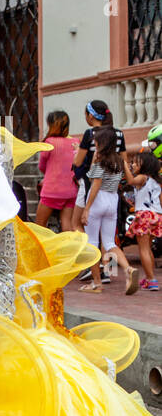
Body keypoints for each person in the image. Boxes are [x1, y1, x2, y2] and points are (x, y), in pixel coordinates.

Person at [81, 124, 138, 294]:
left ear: (101, 143)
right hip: (112, 200)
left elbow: (95, 183)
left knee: (92, 242)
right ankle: (128, 268)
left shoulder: (100, 161)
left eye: (96, 142)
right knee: (109, 242)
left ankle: (97, 283)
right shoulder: (119, 161)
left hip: (97, 200)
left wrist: (86, 209)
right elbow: (129, 180)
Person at [72, 100, 124, 235]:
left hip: (91, 183)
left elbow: (78, 162)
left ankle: (90, 255)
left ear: (90, 116)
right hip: (111, 186)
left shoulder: (90, 134)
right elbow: (124, 159)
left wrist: (77, 150)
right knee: (106, 236)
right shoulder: (118, 133)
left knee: (77, 223)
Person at [124, 151, 162, 291]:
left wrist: (124, 166)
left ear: (144, 165)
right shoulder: (156, 182)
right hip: (157, 215)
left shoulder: (142, 178)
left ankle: (152, 280)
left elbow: (130, 181)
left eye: (135, 162)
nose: (133, 165)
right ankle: (148, 277)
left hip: (144, 215)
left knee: (143, 249)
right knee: (148, 249)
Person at [37, 109, 78, 232]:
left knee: (40, 226)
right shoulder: (75, 142)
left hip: (52, 190)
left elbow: (42, 166)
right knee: (67, 225)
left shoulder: (49, 143)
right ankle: (70, 250)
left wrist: (49, 174)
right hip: (71, 190)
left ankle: (42, 250)